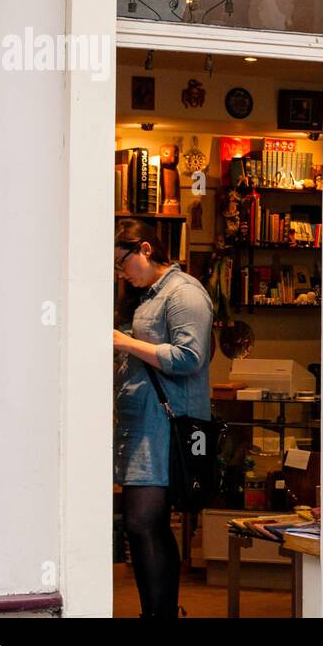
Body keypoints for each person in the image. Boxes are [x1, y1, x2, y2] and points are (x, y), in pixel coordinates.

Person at [113, 219, 213, 618]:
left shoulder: (184, 293)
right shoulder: (148, 295)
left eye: (123, 263)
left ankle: (160, 613)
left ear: (146, 249)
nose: (122, 273)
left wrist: (123, 341)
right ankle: (160, 612)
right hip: (144, 427)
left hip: (166, 428)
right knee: (145, 526)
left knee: (142, 524)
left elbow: (189, 358)